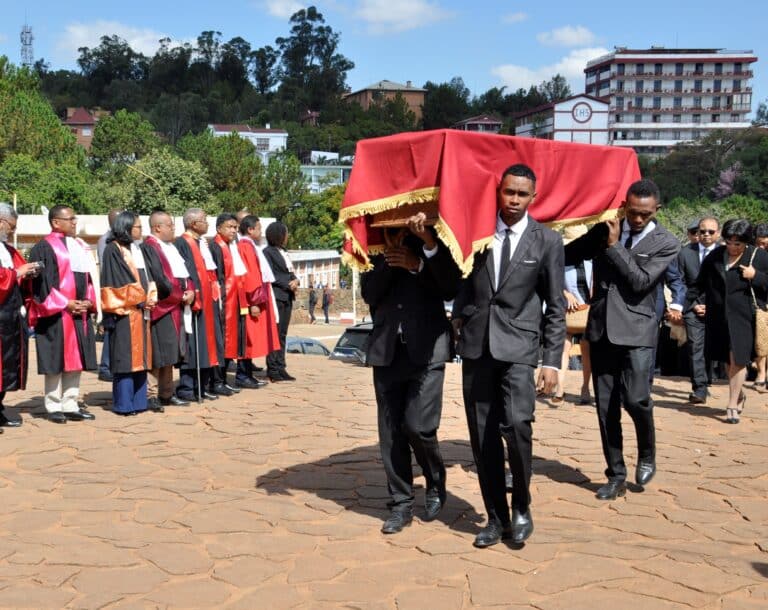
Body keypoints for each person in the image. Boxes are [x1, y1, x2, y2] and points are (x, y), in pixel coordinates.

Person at [453, 164, 565, 547]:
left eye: (522, 194)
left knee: (517, 427)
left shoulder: (547, 241)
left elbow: (555, 305)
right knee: (482, 436)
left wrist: (551, 360)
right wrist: (459, 318)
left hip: (520, 348)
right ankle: (495, 517)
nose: (514, 200)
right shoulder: (478, 234)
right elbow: (465, 285)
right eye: (508, 192)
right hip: (478, 347)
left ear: (533, 196)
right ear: (498, 192)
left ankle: (521, 505)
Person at [564, 179, 680, 501]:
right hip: (601, 329)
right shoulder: (607, 229)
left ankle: (647, 452)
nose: (637, 219)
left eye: (644, 214)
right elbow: (566, 254)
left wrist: (615, 247)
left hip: (638, 331)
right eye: (632, 212)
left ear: (656, 210)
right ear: (625, 206)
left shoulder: (666, 242)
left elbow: (641, 282)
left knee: (636, 399)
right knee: (606, 408)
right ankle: (615, 474)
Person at [362, 212, 462, 534]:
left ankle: (434, 480)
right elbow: (370, 294)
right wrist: (392, 260)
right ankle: (401, 504)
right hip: (387, 348)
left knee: (418, 426)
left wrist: (419, 261)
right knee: (391, 431)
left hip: (428, 348)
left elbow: (450, 287)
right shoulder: (373, 244)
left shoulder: (438, 238)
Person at [688, 219, 768, 423]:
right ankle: (739, 393)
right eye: (729, 242)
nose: (732, 247)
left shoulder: (758, 257)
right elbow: (699, 283)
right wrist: (685, 304)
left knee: (738, 359)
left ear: (746, 242)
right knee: (726, 359)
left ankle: (732, 404)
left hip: (744, 317)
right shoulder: (715, 256)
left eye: (738, 244)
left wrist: (756, 276)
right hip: (718, 317)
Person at [28, 205, 98, 424]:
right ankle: (52, 405)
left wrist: (88, 301)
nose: (75, 222)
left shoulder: (79, 246)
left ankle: (70, 403)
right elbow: (39, 286)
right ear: (56, 222)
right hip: (56, 314)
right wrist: (65, 303)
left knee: (76, 360)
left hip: (79, 313)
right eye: (70, 219)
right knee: (55, 360)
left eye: (75, 218)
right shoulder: (43, 247)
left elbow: (87, 278)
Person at [101, 212, 159, 416]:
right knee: (125, 357)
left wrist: (151, 295)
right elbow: (116, 281)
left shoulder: (136, 249)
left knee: (142, 356)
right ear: (125, 227)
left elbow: (146, 275)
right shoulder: (113, 249)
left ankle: (139, 401)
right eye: (137, 227)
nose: (140, 230)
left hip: (142, 310)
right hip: (124, 312)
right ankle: (124, 404)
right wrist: (140, 298)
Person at [141, 211, 194, 407]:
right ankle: (151, 394)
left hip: (176, 306)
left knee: (171, 352)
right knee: (159, 352)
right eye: (170, 225)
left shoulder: (170, 247)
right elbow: (159, 278)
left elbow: (183, 274)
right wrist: (179, 295)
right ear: (157, 228)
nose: (173, 228)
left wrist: (190, 291)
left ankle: (167, 392)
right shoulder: (150, 247)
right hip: (163, 307)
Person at [174, 209, 220, 402]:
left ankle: (202, 386)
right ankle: (187, 388)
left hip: (209, 301)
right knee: (193, 345)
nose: (207, 223)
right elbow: (185, 271)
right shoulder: (182, 243)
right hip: (194, 300)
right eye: (204, 220)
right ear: (193, 224)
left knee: (207, 344)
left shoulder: (201, 243)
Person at [0, 203, 38, 429]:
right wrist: (16, 273)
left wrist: (27, 272)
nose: (13, 232)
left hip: (10, 316)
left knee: (7, 365)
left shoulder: (7, 249)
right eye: (11, 227)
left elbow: (16, 273)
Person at [210, 213, 255, 391]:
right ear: (219, 228)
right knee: (221, 342)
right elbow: (217, 277)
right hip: (223, 302)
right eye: (230, 227)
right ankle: (217, 381)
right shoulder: (215, 246)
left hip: (234, 301)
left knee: (231, 342)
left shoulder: (231, 246)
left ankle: (222, 380)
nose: (234, 231)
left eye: (236, 228)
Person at [678, 217, 721, 404]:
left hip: (717, 308)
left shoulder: (724, 254)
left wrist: (711, 306)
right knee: (695, 347)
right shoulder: (685, 253)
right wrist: (694, 304)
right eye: (702, 231)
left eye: (711, 232)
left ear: (718, 233)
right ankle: (699, 389)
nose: (706, 235)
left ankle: (708, 378)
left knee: (712, 347)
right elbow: (679, 281)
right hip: (692, 308)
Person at [237, 215, 279, 387]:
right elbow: (250, 276)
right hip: (252, 300)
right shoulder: (245, 247)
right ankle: (243, 375)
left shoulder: (251, 246)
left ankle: (247, 374)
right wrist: (253, 301)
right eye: (259, 228)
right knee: (248, 339)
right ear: (250, 229)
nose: (261, 232)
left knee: (252, 339)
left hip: (257, 297)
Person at [556, 224, 593, 405]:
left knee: (587, 350)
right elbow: (552, 282)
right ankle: (560, 387)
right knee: (563, 348)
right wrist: (566, 294)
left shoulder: (592, 259)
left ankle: (585, 387)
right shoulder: (560, 259)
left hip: (589, 309)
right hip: (567, 310)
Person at [262, 221, 298, 382]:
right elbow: (270, 274)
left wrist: (296, 280)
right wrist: (287, 283)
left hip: (288, 295)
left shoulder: (284, 252)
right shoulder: (267, 252)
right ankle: (273, 368)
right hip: (276, 295)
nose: (287, 236)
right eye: (286, 233)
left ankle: (281, 366)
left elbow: (290, 271)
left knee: (282, 334)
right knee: (274, 334)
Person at [96, 208, 122, 383]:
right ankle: (105, 366)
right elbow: (109, 268)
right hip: (112, 290)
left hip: (120, 291)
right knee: (111, 328)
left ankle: (111, 364)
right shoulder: (107, 240)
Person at [749, 223, 768, 392]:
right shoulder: (753, 255)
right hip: (760, 303)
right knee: (760, 341)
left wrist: (756, 275)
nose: (762, 247)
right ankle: (761, 374)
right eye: (759, 243)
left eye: (765, 244)